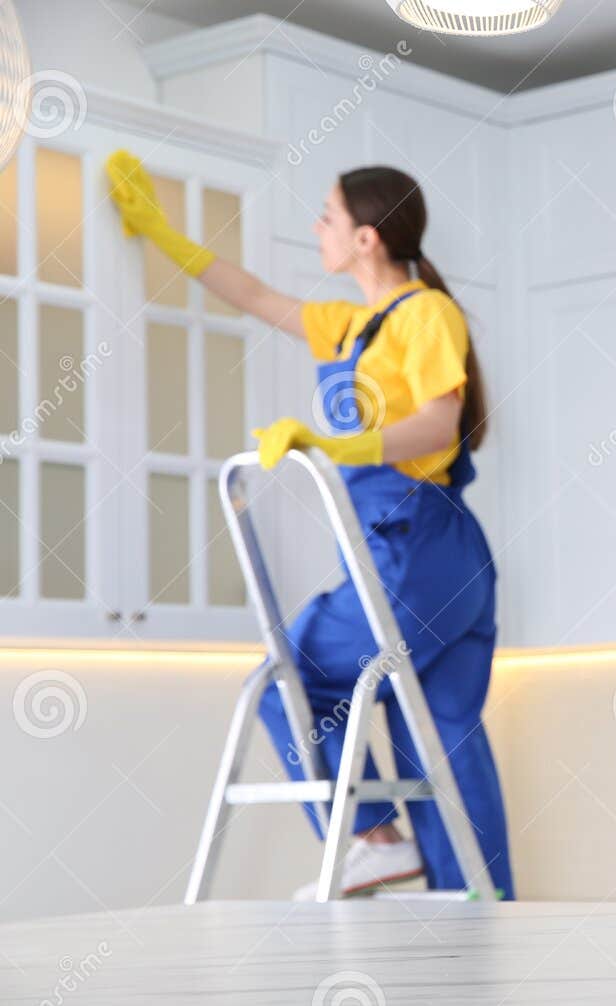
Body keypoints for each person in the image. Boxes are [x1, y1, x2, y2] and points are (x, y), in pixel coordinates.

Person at [106, 152, 515, 901]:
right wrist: (161, 231)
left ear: (365, 237)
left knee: (290, 679)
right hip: (433, 559)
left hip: (417, 546)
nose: (316, 227)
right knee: (444, 736)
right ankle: (485, 929)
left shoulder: (427, 313)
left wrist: (334, 446)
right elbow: (254, 295)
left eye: (327, 215)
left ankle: (372, 838)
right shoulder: (348, 326)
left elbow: (439, 423)